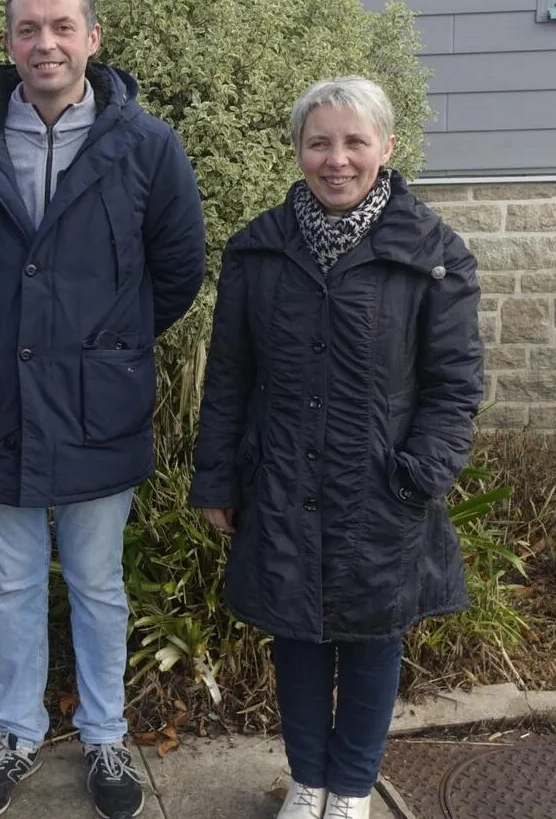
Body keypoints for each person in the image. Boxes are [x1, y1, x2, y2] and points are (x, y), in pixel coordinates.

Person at [0, 0, 206, 819]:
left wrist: (107, 346)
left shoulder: (147, 145)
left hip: (97, 404)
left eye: (61, 27)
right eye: (27, 29)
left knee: (97, 581)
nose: (44, 43)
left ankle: (105, 732)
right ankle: (14, 734)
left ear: (93, 37)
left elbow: (178, 269)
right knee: (9, 585)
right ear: (7, 43)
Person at [189, 76, 483, 819]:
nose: (337, 159)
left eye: (355, 141)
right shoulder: (257, 251)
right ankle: (307, 780)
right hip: (281, 482)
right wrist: (219, 479)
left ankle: (351, 789)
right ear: (298, 150)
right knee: (296, 636)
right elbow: (228, 377)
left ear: (386, 146)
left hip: (382, 487)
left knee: (373, 640)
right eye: (319, 142)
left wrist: (417, 477)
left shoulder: (433, 254)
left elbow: (454, 385)